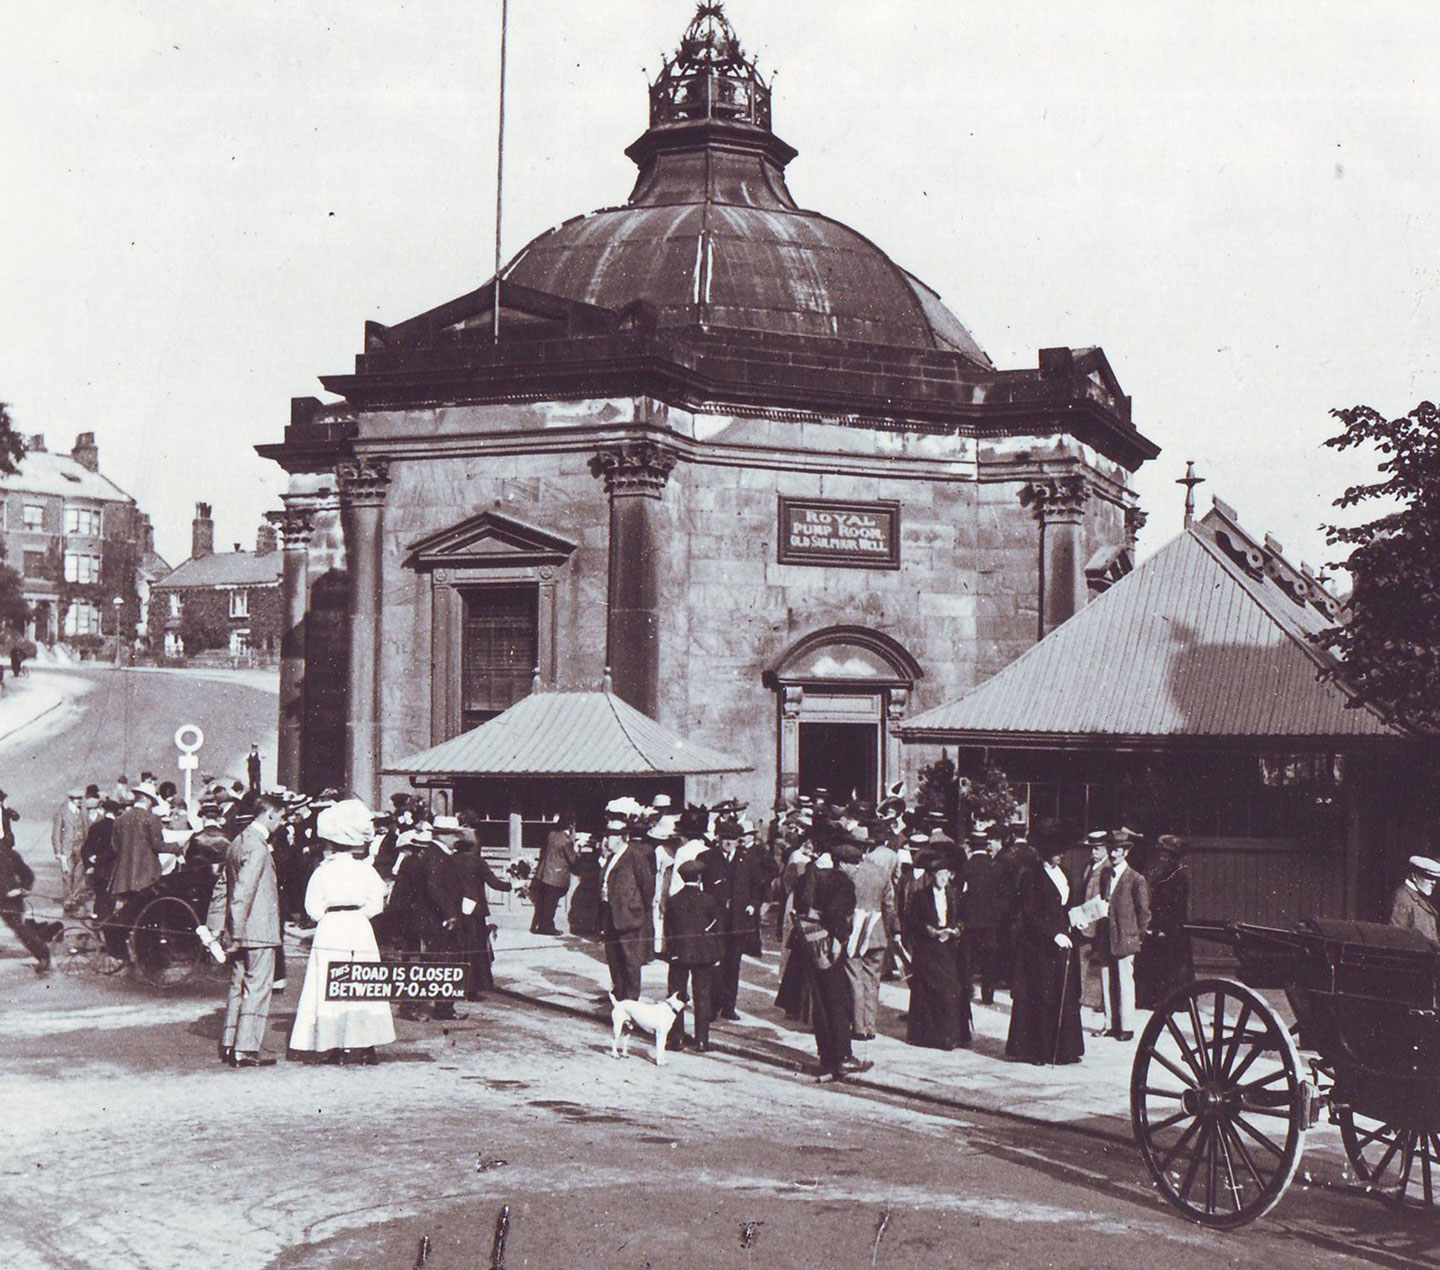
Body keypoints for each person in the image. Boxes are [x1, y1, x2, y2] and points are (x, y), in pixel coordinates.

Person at [288, 799, 395, 1065]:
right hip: (359, 927)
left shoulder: (323, 872)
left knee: (329, 982)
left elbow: (312, 907)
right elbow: (376, 904)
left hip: (332, 927)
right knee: (363, 982)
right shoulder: (365, 870)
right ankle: (365, 1045)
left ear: (331, 844)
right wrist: (357, 915)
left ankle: (332, 1043)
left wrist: (329, 917)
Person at [206, 794, 286, 1067]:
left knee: (237, 988)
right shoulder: (259, 847)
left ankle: (230, 1044)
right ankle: (247, 1050)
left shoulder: (237, 843)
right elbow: (244, 891)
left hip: (239, 930)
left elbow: (222, 890)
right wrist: (238, 933)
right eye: (281, 816)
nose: (282, 822)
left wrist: (218, 928)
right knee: (257, 989)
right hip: (258, 931)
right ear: (270, 815)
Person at [1006, 820, 1084, 1065]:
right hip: (1039, 946)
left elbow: (1067, 906)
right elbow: (1029, 914)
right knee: (1042, 995)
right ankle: (1038, 1050)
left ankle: (1064, 1050)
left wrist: (1076, 921)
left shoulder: (1065, 874)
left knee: (1063, 994)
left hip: (1064, 941)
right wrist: (1052, 934)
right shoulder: (1031, 876)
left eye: (1061, 853)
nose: (1060, 857)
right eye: (1055, 854)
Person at [904, 838, 971, 1050]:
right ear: (933, 876)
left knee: (953, 990)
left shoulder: (953, 895)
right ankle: (931, 1036)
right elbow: (912, 921)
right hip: (929, 950)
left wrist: (956, 929)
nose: (943, 879)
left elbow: (962, 918)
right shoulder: (920, 897)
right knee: (932, 991)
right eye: (939, 875)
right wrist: (931, 931)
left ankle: (952, 1035)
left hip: (949, 949)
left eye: (946, 875)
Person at [703, 818, 769, 1021]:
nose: (729, 843)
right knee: (716, 964)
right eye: (725, 839)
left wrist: (753, 904)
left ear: (738, 840)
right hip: (716, 921)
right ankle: (713, 1006)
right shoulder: (707, 858)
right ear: (718, 838)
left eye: (733, 839)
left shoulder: (747, 860)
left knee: (733, 964)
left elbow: (758, 887)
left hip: (739, 922)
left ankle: (729, 1006)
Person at [842, 825, 898, 1042]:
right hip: (877, 931)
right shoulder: (881, 872)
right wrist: (894, 930)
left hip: (856, 930)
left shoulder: (850, 872)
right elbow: (890, 905)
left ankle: (858, 1026)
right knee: (872, 980)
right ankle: (870, 1025)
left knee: (855, 978)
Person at [664, 858, 721, 1051]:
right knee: (702, 996)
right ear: (699, 877)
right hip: (703, 956)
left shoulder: (672, 901)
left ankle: (676, 1038)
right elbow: (716, 929)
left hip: (678, 955)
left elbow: (668, 931)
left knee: (676, 995)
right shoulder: (709, 900)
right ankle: (702, 1040)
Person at [451, 827, 512, 1000]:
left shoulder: (450, 860)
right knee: (475, 950)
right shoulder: (477, 862)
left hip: (456, 909)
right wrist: (512, 884)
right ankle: (472, 988)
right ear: (472, 845)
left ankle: (456, 985)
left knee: (458, 948)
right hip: (475, 912)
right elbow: (494, 883)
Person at [599, 817, 655, 1001]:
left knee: (630, 960)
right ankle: (619, 994)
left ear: (623, 837)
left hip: (628, 915)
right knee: (614, 958)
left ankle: (631, 999)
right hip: (611, 914)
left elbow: (647, 887)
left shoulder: (634, 856)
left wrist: (637, 908)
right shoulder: (611, 858)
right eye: (607, 836)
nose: (607, 841)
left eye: (612, 836)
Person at [1101, 831, 1150, 1041]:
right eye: (1110, 849)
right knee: (1107, 981)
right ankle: (1111, 1024)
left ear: (1126, 851)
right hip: (1107, 936)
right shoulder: (1106, 875)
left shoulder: (1136, 879)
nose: (1113, 853)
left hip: (1126, 937)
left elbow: (1144, 912)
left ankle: (1126, 1027)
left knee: (1124, 982)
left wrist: (1137, 936)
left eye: (1117, 850)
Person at [1136, 834, 1194, 1008]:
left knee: (1171, 967)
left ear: (1174, 858)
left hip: (1171, 929)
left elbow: (1174, 909)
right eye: (1161, 855)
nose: (1162, 858)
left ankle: (1171, 1002)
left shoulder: (1178, 878)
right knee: (1156, 963)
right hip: (1159, 926)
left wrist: (1163, 928)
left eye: (1166, 856)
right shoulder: (1162, 875)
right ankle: (1152, 999)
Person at [960, 828, 1007, 1005]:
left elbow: (959, 893)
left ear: (971, 845)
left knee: (967, 958)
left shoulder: (966, 866)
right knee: (989, 958)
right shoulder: (996, 867)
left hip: (970, 920)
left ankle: (967, 991)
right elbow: (1004, 895)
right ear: (986, 845)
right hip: (990, 921)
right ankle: (988, 994)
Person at [0, 835, 57, 974]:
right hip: (9, 897)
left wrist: (21, 889)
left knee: (20, 929)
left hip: (8, 899)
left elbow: (26, 873)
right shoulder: (9, 852)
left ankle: (43, 956)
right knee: (19, 928)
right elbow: (27, 874)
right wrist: (23, 888)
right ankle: (43, 956)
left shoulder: (8, 853)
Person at [531, 814, 577, 935]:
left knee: (543, 903)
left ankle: (539, 926)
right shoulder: (565, 840)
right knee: (551, 904)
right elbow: (572, 859)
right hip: (557, 875)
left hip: (544, 873)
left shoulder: (551, 835)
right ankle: (547, 927)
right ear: (570, 825)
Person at [1388, 855, 1440, 945]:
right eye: (1429, 877)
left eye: (1435, 878)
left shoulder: (1420, 897)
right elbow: (1396, 939)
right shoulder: (1402, 898)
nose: (1434, 882)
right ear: (1414, 877)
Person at [51, 788, 89, 913]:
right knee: (67, 875)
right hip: (67, 849)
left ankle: (75, 899)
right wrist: (58, 851)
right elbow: (56, 833)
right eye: (77, 799)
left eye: (80, 799)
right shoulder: (62, 812)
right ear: (71, 799)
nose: (79, 801)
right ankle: (67, 900)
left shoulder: (83, 812)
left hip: (81, 848)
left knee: (79, 876)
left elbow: (86, 830)